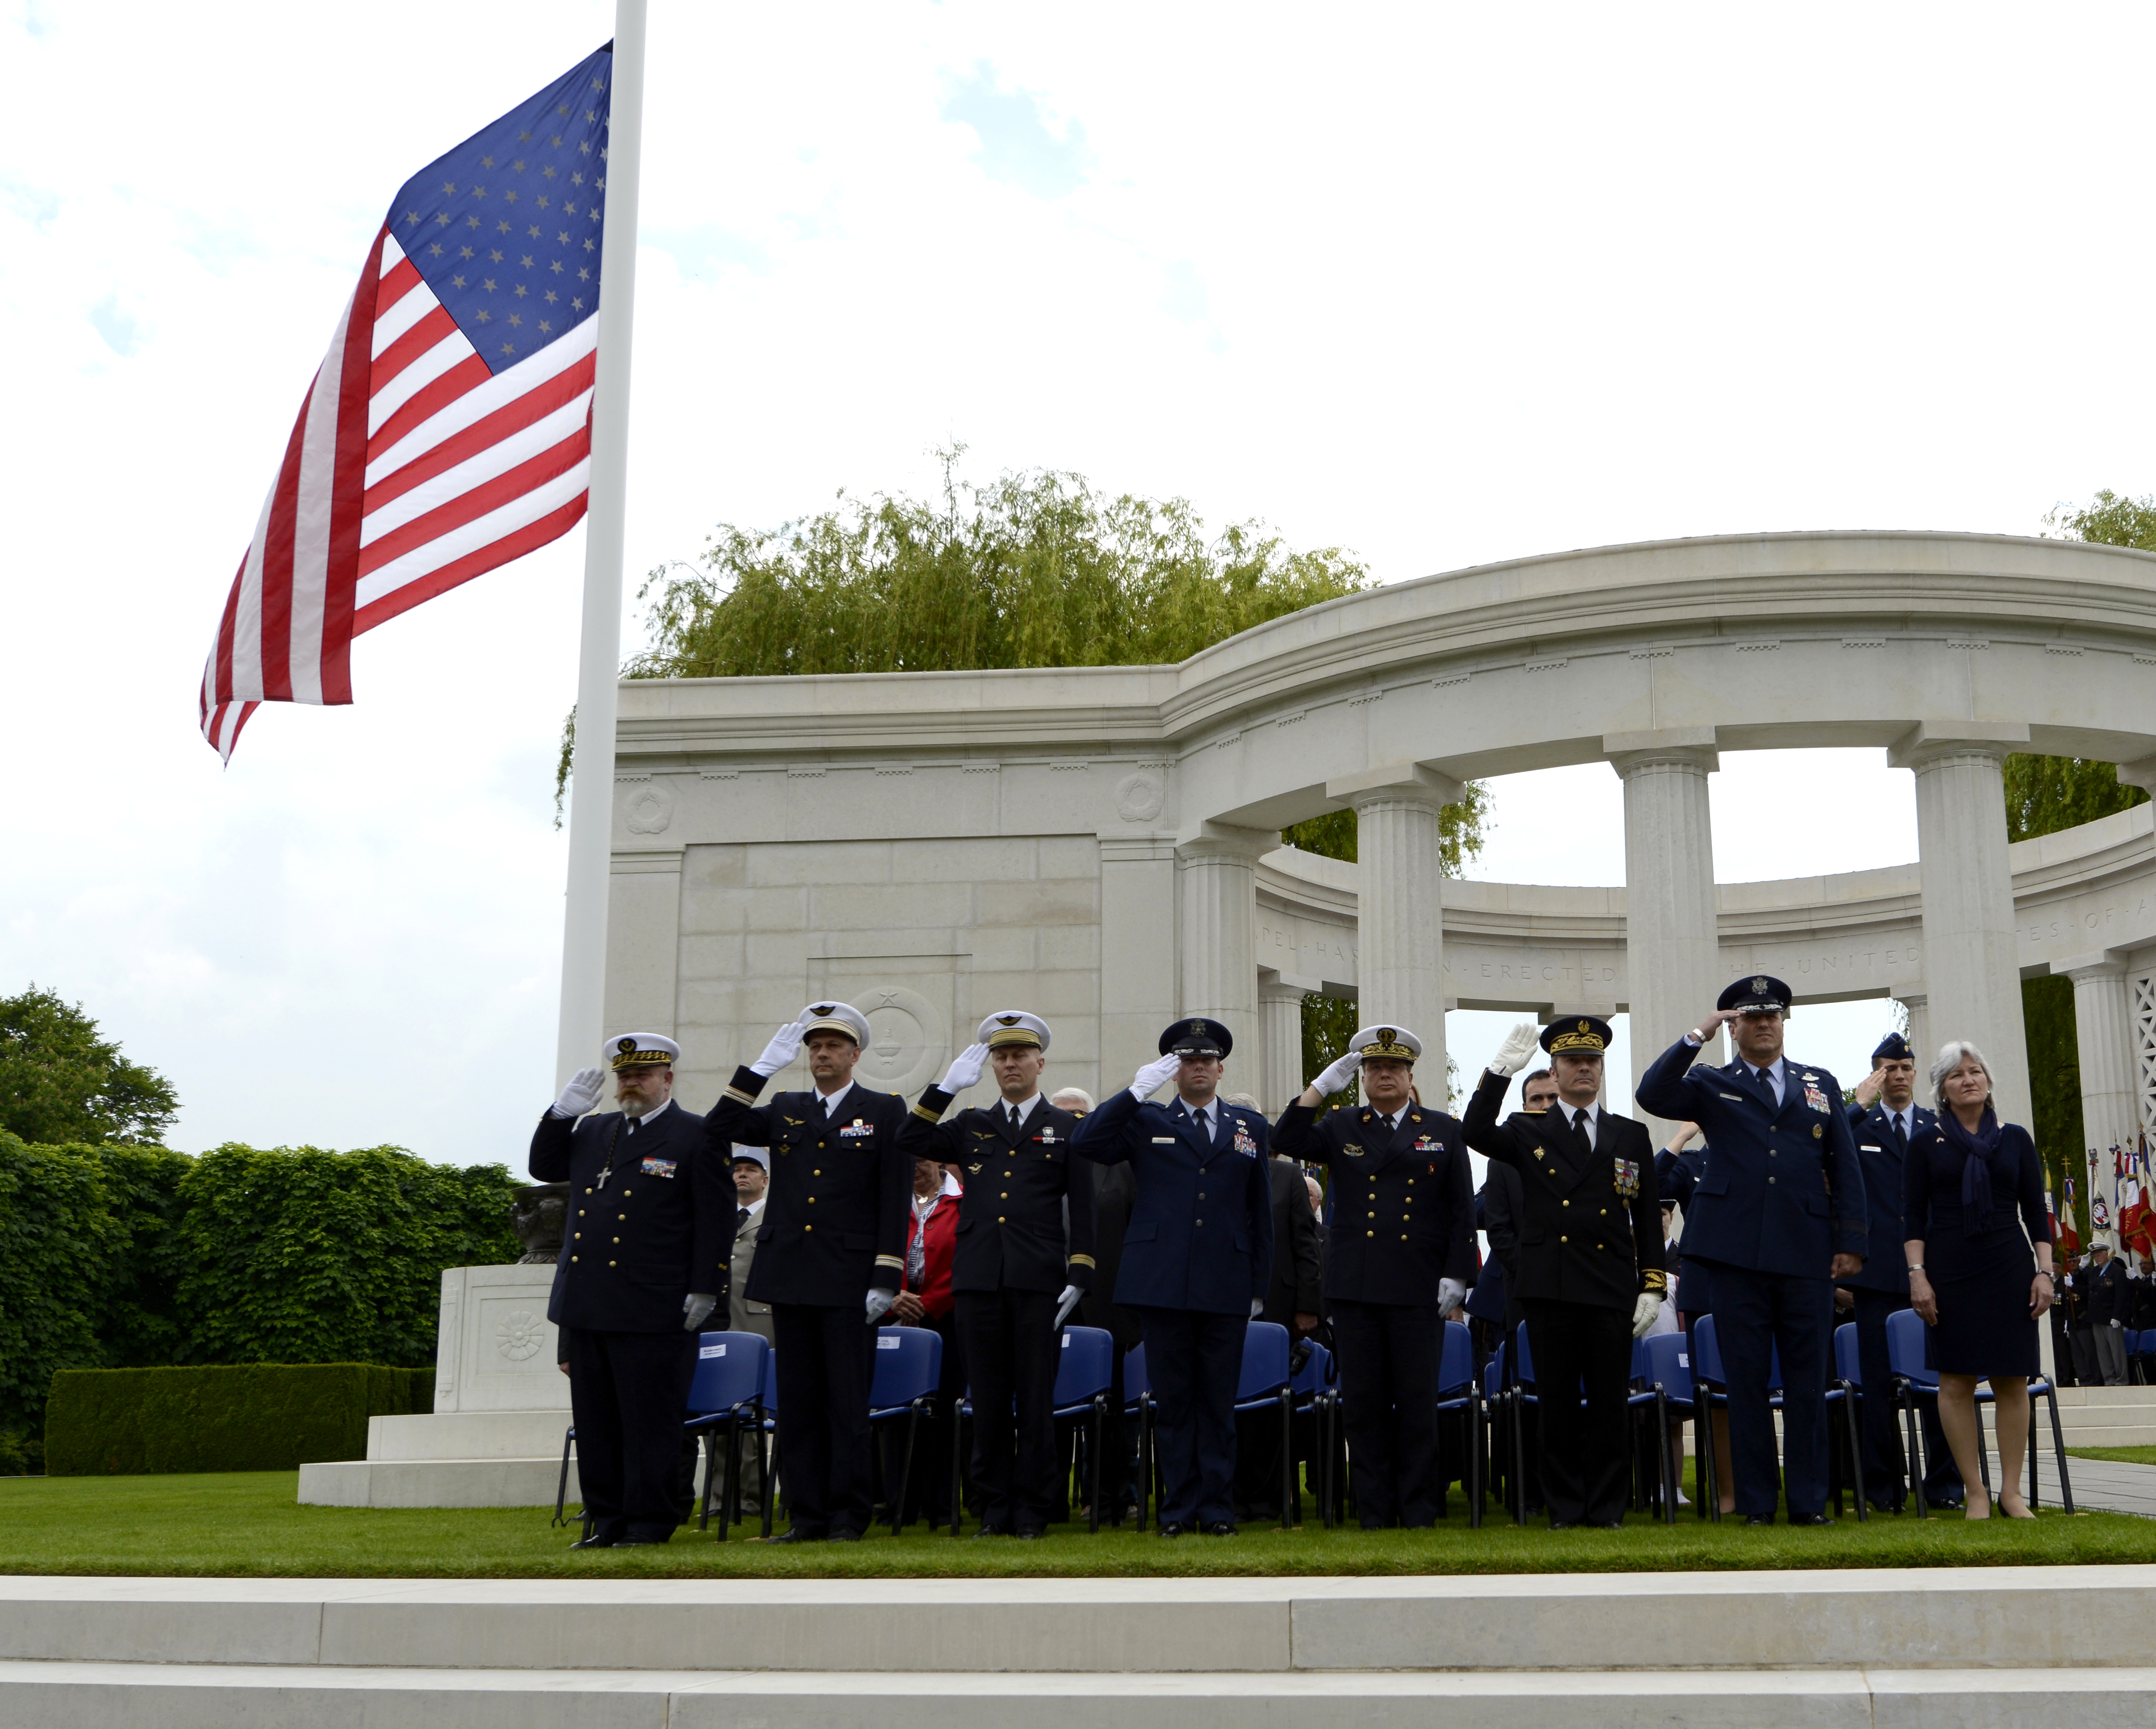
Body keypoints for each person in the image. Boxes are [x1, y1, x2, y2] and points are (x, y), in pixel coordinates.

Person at [1636, 975, 1867, 1526]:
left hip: (1806, 1250)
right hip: (1734, 1252)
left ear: (1783, 1022)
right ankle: (1756, 1504)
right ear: (1734, 1027)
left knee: (1807, 1382)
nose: (1764, 1024)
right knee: (1744, 1383)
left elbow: (1843, 1165)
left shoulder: (1818, 1083)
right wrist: (1697, 1033)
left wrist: (1851, 1243)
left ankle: (1807, 1503)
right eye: (1751, 1017)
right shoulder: (1711, 1081)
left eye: (1772, 1015)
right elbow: (1652, 1094)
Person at [704, 1003, 912, 1543]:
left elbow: (894, 1197)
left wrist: (885, 1276)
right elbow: (718, 1127)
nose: (822, 1054)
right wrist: (758, 1070)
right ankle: (805, 1516)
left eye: (833, 1046)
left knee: (846, 1404)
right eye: (814, 1046)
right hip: (790, 1274)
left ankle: (847, 1516)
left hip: (849, 1278)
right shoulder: (785, 1107)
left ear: (855, 1055)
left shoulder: (883, 1109)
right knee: (797, 1405)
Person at [1071, 1017, 1274, 1537]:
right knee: (1175, 1405)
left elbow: (1260, 1212)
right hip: (1162, 1282)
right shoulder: (1146, 1119)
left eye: (1207, 1060)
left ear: (1221, 1069)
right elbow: (1085, 1141)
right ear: (1175, 1071)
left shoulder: (1249, 1128)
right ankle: (1178, 1511)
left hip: (1225, 1281)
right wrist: (1134, 1092)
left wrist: (1258, 1285)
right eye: (1188, 1060)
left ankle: (1218, 1511)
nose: (1198, 1067)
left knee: (1218, 1405)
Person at [899, 1012, 1096, 1539]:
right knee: (986, 1400)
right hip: (979, 1278)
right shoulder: (971, 1125)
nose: (1010, 1064)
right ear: (991, 1066)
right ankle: (993, 1508)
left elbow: (1084, 1205)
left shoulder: (1066, 1128)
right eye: (1001, 1057)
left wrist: (1080, 1270)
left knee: (1034, 1400)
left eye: (1020, 1056)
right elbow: (908, 1137)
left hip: (1037, 1279)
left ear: (1040, 1063)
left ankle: (1032, 1508)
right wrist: (944, 1088)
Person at [1271, 1025, 1473, 1529]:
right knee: (1363, 1405)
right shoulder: (1342, 1124)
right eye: (1374, 1068)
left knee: (1417, 1402)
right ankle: (1374, 1510)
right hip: (1356, 1285)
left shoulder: (1442, 1129)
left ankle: (1419, 1509)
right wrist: (1319, 1088)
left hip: (1418, 1285)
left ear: (1410, 1076)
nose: (1385, 1075)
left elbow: (1460, 1211)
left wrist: (1457, 1275)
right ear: (1361, 1077)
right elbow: (1285, 1138)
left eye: (1394, 1068)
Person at [1467, 1017, 1663, 1529]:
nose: (1584, 1068)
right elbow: (1474, 1132)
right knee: (1555, 1404)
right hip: (1549, 1285)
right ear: (1554, 1072)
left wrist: (1652, 1284)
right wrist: (1498, 1074)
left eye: (1592, 1060)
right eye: (1573, 1061)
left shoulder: (1629, 1134)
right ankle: (1565, 1509)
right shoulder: (1527, 1129)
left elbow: (1646, 1217)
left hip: (1609, 1284)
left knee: (1609, 1402)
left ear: (1601, 1069)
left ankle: (1607, 1509)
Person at [530, 1034, 726, 1548]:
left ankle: (648, 1522)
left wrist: (706, 1288)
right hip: (589, 1300)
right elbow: (544, 1168)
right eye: (624, 1076)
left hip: (655, 1304)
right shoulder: (595, 1130)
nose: (630, 1084)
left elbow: (714, 1220)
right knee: (597, 1424)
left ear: (667, 1079)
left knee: (649, 1423)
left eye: (641, 1075)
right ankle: (607, 1520)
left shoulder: (695, 1134)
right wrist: (559, 1117)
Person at [1904, 1040, 2055, 1518]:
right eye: (1956, 1074)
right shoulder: (1924, 1143)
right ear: (1941, 1089)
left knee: (2013, 1379)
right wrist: (1917, 1277)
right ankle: (1974, 1491)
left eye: (1975, 1072)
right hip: (1948, 1270)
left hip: (2009, 1268)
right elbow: (1911, 1217)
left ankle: (2011, 1492)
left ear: (1988, 1081)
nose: (1967, 1080)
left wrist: (2045, 1272)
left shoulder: (2015, 1139)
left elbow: (2036, 1212)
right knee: (1955, 1382)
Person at [1841, 1032, 1960, 1511]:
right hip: (1876, 1277)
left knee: (1943, 1381)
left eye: (1905, 1068)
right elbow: (1823, 1150)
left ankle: (1945, 1486)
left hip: (1937, 1273)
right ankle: (1884, 1489)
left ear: (1915, 1073)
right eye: (1888, 1069)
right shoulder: (1859, 1127)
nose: (1897, 1076)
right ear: (1876, 1074)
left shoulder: (1939, 1126)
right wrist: (1856, 1105)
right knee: (1876, 1388)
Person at [1227, 1092, 1322, 1521]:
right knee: (1227, 1402)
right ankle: (1231, 1497)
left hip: (1280, 1307)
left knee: (1270, 1407)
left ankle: (1270, 1499)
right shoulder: (1214, 1171)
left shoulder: (1287, 1176)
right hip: (1223, 1304)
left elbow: (1306, 1245)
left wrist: (1308, 1307)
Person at [887, 1152, 964, 1527]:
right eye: (909, 1159)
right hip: (893, 1316)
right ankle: (900, 1505)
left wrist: (927, 1304)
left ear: (940, 1162)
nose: (915, 1166)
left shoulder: (963, 1201)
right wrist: (893, 1295)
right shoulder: (890, 1201)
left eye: (922, 1159)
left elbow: (967, 1259)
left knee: (944, 1412)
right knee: (895, 1413)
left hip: (946, 1318)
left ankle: (942, 1505)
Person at [728, 1149, 775, 1344]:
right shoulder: (717, 1216)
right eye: (737, 1169)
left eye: (751, 1169)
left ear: (765, 1181)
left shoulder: (776, 1218)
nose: (743, 1174)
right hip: (720, 1314)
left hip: (758, 1315)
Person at [2085, 1240, 2130, 1385]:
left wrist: (2117, 1316)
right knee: (2103, 1351)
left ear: (2107, 1254)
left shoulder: (2117, 1272)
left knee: (2117, 1351)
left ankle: (2121, 1380)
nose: (2097, 1258)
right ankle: (2109, 1380)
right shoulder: (2094, 1272)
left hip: (2111, 1317)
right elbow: (2081, 1285)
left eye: (2099, 1254)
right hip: (2097, 1317)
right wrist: (2081, 1267)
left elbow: (2121, 1296)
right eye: (2095, 1256)